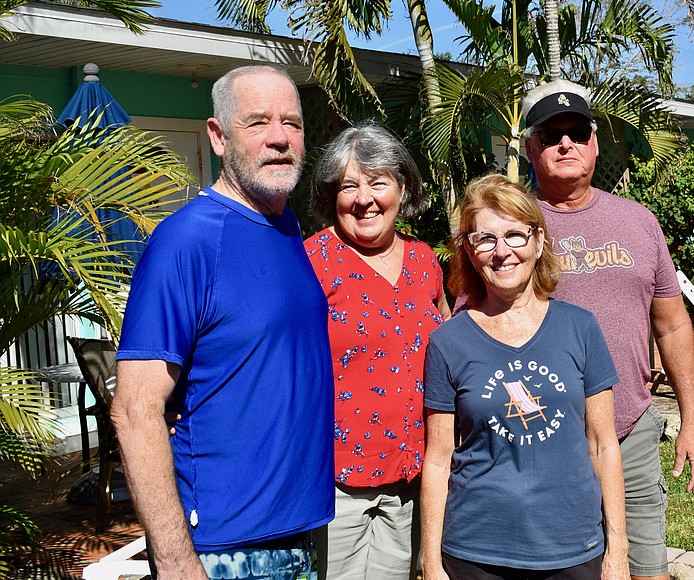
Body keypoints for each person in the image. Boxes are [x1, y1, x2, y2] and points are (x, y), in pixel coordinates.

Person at [111, 65, 335, 580]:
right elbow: (136, 409)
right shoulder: (186, 242)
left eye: (292, 123)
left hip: (297, 533)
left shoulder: (285, 226)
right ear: (217, 136)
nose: (279, 138)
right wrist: (174, 563)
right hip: (223, 550)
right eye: (257, 122)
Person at [521, 79, 694, 580]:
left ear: (594, 142)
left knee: (646, 567)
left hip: (631, 428)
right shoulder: (509, 225)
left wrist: (692, 419)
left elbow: (671, 325)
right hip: (540, 435)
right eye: (551, 133)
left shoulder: (639, 221)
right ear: (529, 146)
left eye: (578, 132)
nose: (566, 143)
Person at [421, 174, 629, 580]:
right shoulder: (448, 342)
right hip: (476, 549)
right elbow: (438, 459)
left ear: (538, 242)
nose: (502, 252)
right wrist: (430, 561)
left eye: (515, 235)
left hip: (572, 546)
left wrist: (618, 549)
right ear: (469, 249)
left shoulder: (581, 328)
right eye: (485, 239)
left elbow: (604, 446)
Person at [304, 123, 451, 580]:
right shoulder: (311, 260)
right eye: (349, 185)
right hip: (337, 483)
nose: (364, 198)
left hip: (414, 478)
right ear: (332, 196)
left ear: (402, 188)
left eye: (378, 181)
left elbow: (449, 343)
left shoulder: (424, 260)